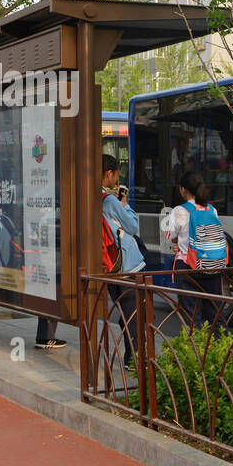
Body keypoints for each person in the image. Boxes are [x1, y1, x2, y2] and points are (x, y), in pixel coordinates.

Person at [167, 171, 226, 328]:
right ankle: (220, 349)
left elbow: (169, 234)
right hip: (212, 265)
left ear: (182, 190)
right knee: (215, 314)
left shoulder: (179, 210)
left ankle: (195, 350)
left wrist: (178, 242)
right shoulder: (211, 209)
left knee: (190, 317)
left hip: (188, 267)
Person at [102, 154, 144, 364]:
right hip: (127, 264)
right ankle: (134, 359)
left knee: (125, 310)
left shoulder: (92, 196)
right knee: (133, 313)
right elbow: (132, 226)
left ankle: (131, 357)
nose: (116, 180)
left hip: (110, 264)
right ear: (109, 173)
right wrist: (125, 204)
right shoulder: (109, 200)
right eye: (116, 175)